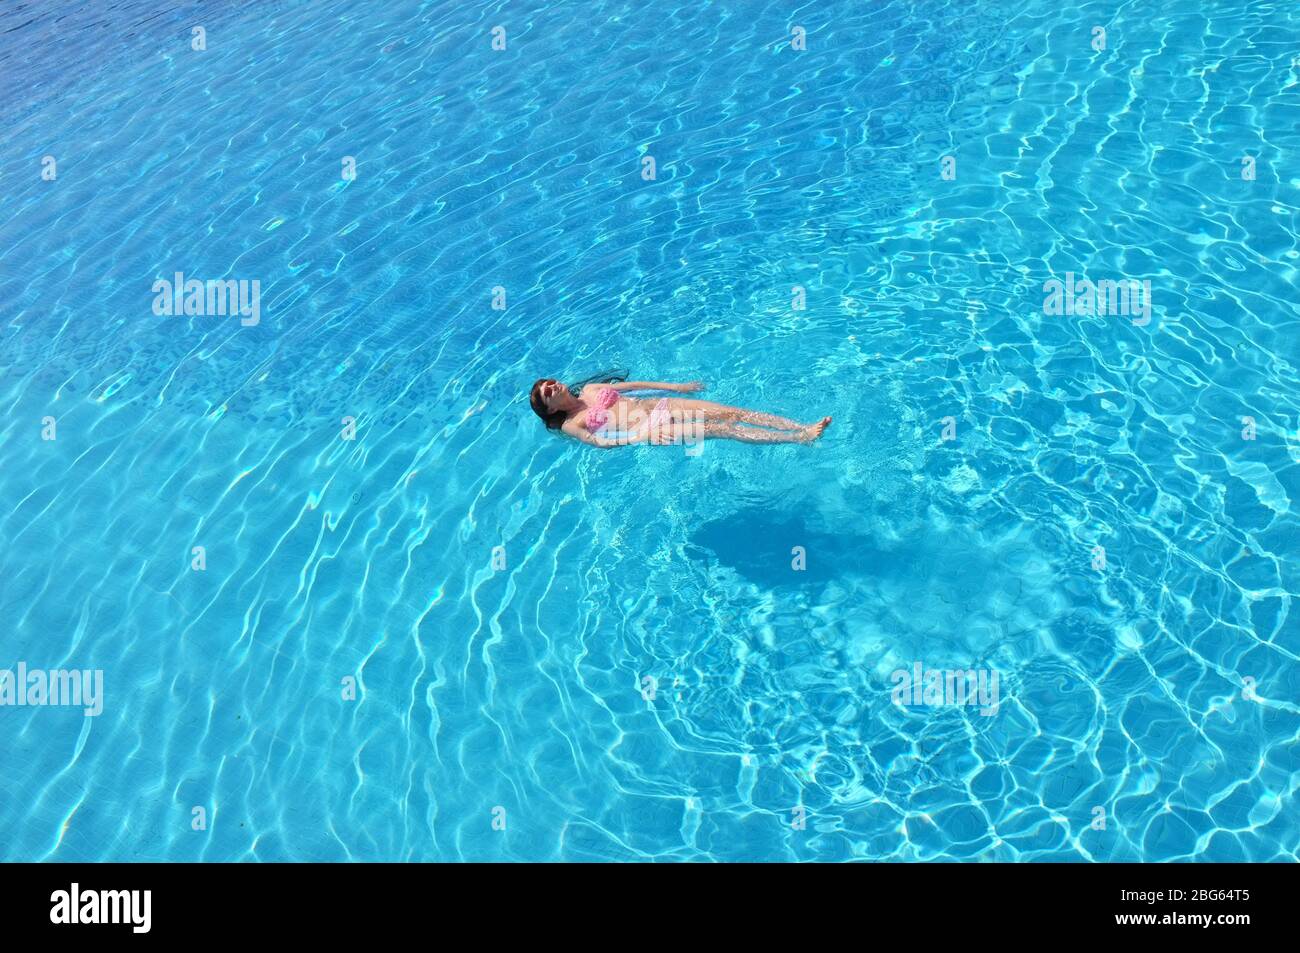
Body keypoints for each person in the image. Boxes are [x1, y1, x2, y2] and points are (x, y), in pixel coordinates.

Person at [528, 377, 831, 448]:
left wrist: (675, 387)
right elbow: (602, 443)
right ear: (549, 409)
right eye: (547, 392)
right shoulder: (570, 423)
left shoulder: (592, 389)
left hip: (660, 405)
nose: (553, 387)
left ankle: (801, 425)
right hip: (653, 429)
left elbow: (635, 385)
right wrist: (641, 436)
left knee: (732, 413)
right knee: (723, 430)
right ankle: (798, 438)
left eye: (551, 382)